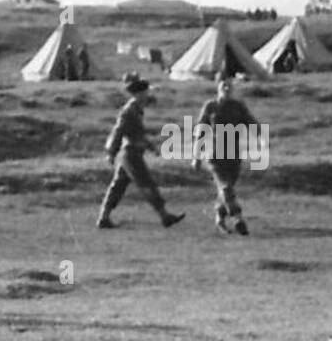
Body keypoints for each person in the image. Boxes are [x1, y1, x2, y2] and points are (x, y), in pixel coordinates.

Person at [97, 76, 187, 230]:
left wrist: (151, 147)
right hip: (131, 154)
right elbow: (118, 132)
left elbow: (139, 133)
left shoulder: (137, 110)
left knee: (117, 187)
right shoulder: (129, 111)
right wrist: (111, 152)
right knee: (147, 184)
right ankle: (164, 216)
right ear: (139, 93)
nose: (148, 95)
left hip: (132, 153)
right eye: (145, 92)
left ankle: (103, 218)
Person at [193, 75, 259, 235]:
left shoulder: (238, 106)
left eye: (230, 86)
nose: (227, 89)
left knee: (226, 191)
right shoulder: (210, 107)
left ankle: (219, 219)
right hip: (215, 154)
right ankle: (238, 218)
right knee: (225, 187)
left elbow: (253, 125)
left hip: (234, 154)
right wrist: (196, 156)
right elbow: (201, 131)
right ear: (218, 88)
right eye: (224, 86)